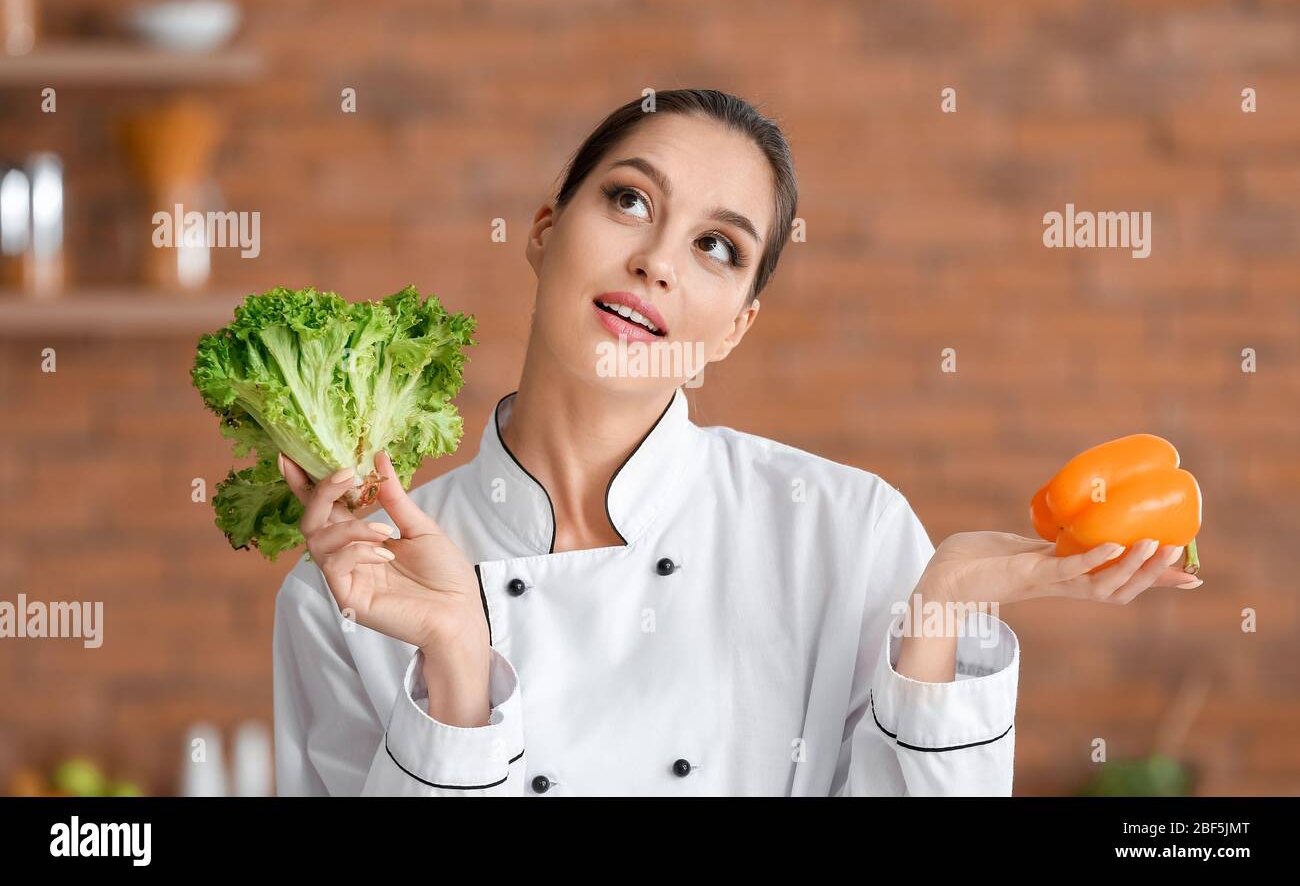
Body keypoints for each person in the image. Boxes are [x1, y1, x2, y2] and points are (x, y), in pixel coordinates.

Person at [272, 89, 1199, 796]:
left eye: (719, 247)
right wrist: (456, 669)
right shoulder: (350, 588)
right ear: (546, 231)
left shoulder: (847, 531)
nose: (659, 261)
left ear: (736, 327)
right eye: (631, 201)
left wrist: (943, 607)